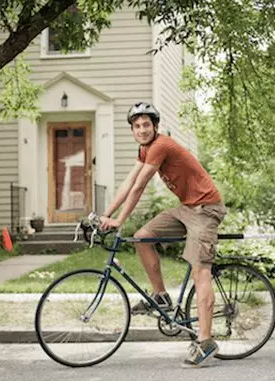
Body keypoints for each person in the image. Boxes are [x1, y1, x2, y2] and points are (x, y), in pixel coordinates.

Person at [99, 101, 227, 368]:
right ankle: (161, 296)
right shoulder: (145, 149)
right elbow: (129, 182)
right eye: (137, 126)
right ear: (132, 131)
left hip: (206, 209)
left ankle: (205, 342)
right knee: (142, 237)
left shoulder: (161, 145)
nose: (142, 129)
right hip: (186, 208)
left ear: (155, 126)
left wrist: (119, 220)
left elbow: (140, 186)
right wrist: (106, 214)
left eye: (146, 124)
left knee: (199, 271)